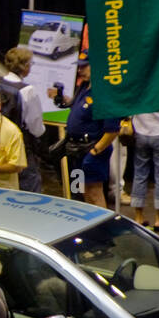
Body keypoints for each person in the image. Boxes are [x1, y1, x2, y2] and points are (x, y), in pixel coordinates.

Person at [55, 55, 119, 209]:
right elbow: (75, 106)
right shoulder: (84, 87)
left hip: (91, 150)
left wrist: (95, 152)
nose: (80, 70)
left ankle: (101, 228)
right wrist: (60, 97)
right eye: (80, 66)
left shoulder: (105, 92)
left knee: (94, 192)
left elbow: (112, 130)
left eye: (85, 66)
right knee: (81, 191)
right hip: (75, 150)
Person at [0, 46, 45, 192]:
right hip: (21, 147)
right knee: (29, 189)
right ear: (25, 67)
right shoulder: (27, 90)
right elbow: (36, 127)